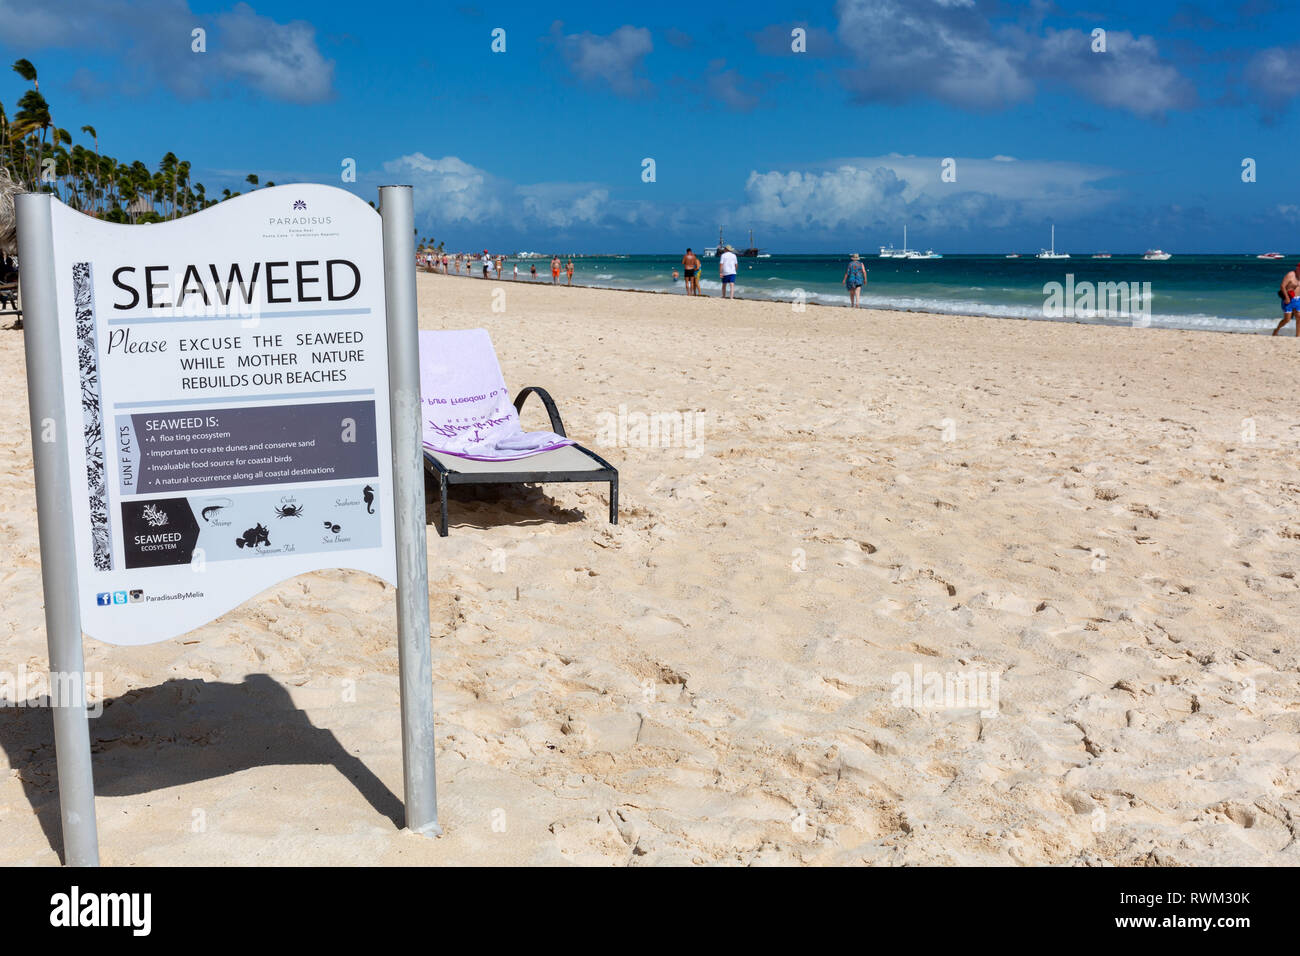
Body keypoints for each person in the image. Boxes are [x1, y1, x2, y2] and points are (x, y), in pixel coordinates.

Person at [1275, 264, 1300, 336]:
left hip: (1298, 299)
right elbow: (1282, 286)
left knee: (1299, 317)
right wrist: (1286, 297)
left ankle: (1298, 335)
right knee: (1287, 320)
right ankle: (1277, 330)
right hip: (1289, 299)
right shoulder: (1290, 275)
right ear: (1297, 268)